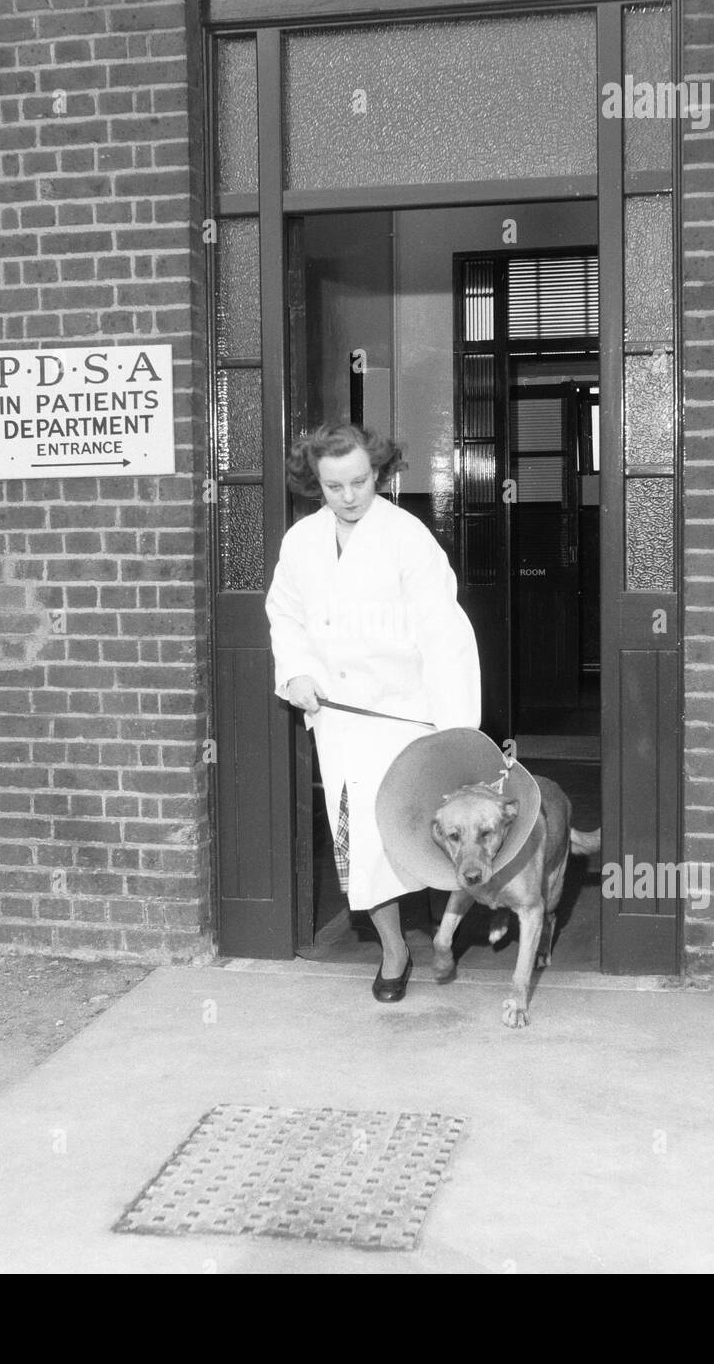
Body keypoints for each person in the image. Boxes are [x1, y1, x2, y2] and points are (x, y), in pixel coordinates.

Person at [265, 421, 481, 1002]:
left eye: (360, 481)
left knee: (421, 836)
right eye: (334, 486)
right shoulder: (301, 542)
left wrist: (455, 728)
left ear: (378, 474)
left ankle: (446, 932)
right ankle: (393, 948)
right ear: (316, 483)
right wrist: (297, 673)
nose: (350, 495)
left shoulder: (407, 537)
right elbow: (284, 616)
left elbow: (445, 636)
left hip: (405, 716)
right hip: (338, 720)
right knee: (357, 841)